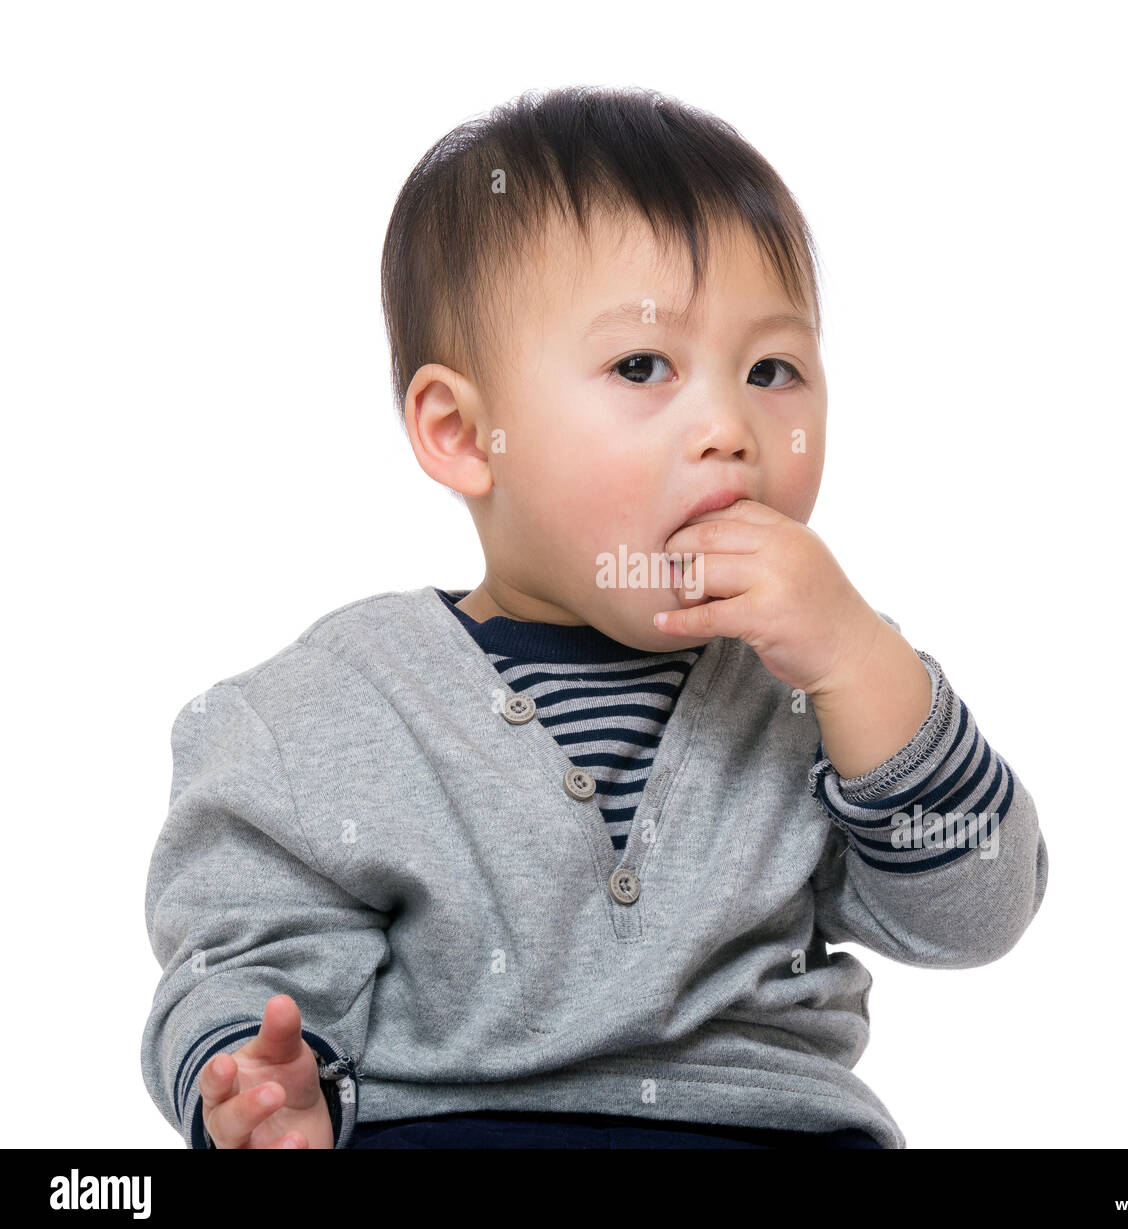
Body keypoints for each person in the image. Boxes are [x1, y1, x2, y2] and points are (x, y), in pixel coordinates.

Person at [141, 85, 1048, 1150]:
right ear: (464, 434)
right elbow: (244, 954)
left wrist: (858, 662)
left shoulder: (827, 683)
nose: (729, 425)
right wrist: (258, 1081)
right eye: (640, 367)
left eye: (771, 370)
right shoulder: (328, 712)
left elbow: (976, 917)